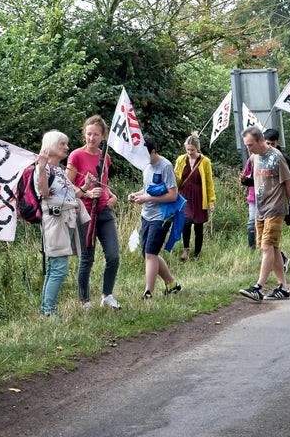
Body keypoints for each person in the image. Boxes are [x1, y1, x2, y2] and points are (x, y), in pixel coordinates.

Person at [66, 115, 121, 310]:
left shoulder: (105, 156)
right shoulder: (76, 156)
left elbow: (103, 184)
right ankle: (84, 300)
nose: (91, 138)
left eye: (96, 135)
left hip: (104, 211)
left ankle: (107, 295)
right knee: (87, 257)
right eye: (89, 134)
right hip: (85, 213)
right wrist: (87, 192)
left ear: (103, 136)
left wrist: (112, 196)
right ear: (84, 134)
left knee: (113, 255)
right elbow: (66, 187)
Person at [238, 127, 290, 301]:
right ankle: (284, 287)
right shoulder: (254, 157)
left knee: (266, 246)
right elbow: (255, 179)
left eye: (250, 145)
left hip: (275, 208)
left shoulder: (277, 157)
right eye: (246, 145)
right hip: (260, 208)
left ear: (260, 140)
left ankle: (258, 286)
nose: (249, 148)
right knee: (274, 248)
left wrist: (285, 204)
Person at [36, 131, 89, 317]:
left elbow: (70, 196)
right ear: (51, 145)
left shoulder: (59, 170)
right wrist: (41, 168)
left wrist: (86, 186)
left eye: (66, 144)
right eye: (62, 144)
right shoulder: (45, 168)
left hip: (65, 220)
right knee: (58, 267)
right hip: (54, 221)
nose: (66, 147)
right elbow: (43, 192)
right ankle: (49, 311)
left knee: (55, 267)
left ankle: (47, 309)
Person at [128, 137, 182, 298]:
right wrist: (136, 195)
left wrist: (147, 198)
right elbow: (147, 189)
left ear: (153, 151)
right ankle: (172, 284)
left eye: (146, 156)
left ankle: (148, 292)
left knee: (151, 253)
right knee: (147, 253)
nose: (144, 160)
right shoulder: (146, 166)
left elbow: (173, 195)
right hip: (146, 215)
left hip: (162, 216)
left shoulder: (165, 166)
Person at [174, 132, 216, 261]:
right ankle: (185, 250)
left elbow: (209, 182)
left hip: (199, 196)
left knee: (198, 226)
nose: (190, 152)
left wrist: (211, 201)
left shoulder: (205, 161)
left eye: (192, 150)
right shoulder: (181, 159)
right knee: (185, 223)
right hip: (184, 195)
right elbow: (176, 177)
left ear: (197, 148)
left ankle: (197, 253)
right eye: (187, 149)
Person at [263, 128, 290, 272]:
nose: (269, 147)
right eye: (266, 143)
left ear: (277, 143)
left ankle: (266, 276)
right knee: (266, 240)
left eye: (272, 144)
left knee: (270, 240)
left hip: (277, 204)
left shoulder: (282, 158)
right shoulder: (259, 157)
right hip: (262, 204)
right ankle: (279, 263)